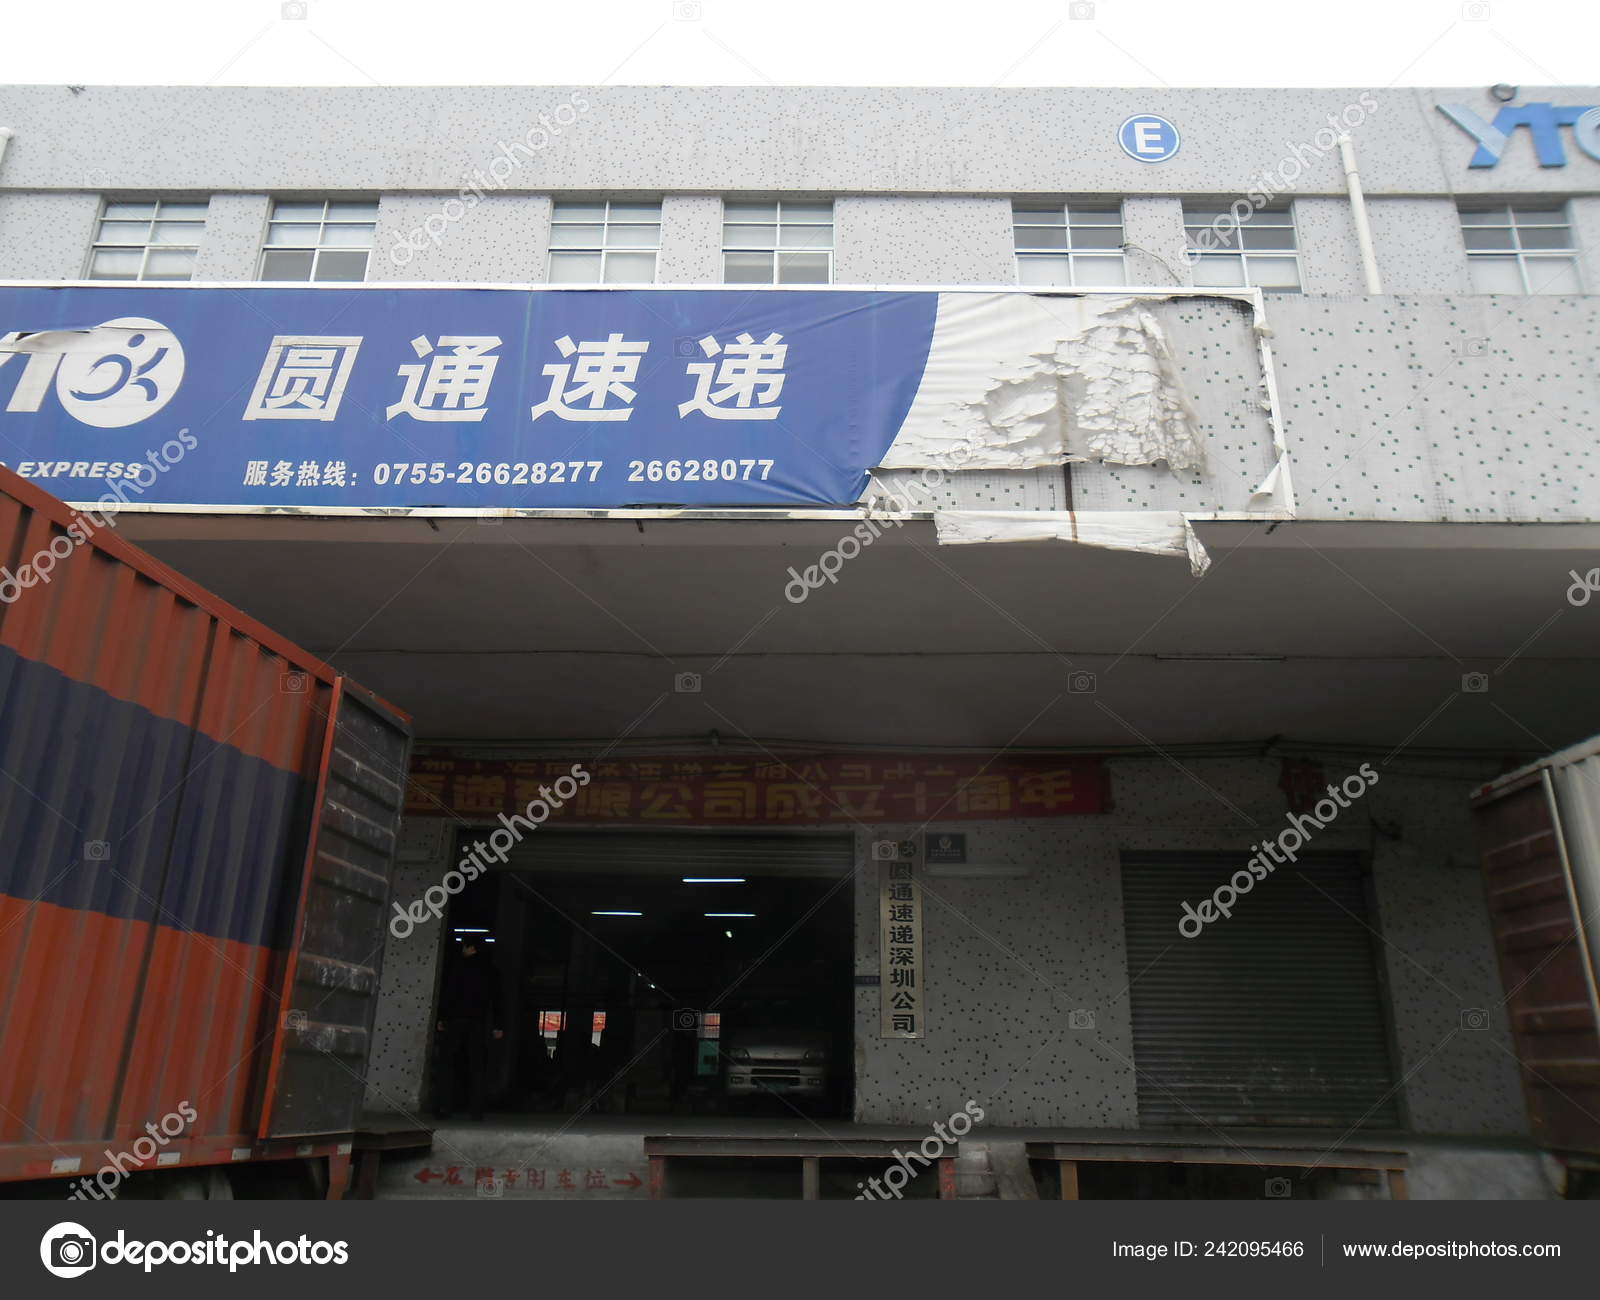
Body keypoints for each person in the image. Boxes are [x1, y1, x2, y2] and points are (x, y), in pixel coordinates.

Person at [433, 940, 503, 1121]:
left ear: (472, 948)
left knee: (448, 1061)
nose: (463, 949)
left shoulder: (459, 968)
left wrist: (443, 1017)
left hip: (457, 1020)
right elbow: (497, 998)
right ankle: (476, 1109)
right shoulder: (490, 970)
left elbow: (450, 994)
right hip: (479, 1023)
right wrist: (498, 1025)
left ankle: (444, 1106)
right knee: (477, 1065)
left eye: (465, 945)